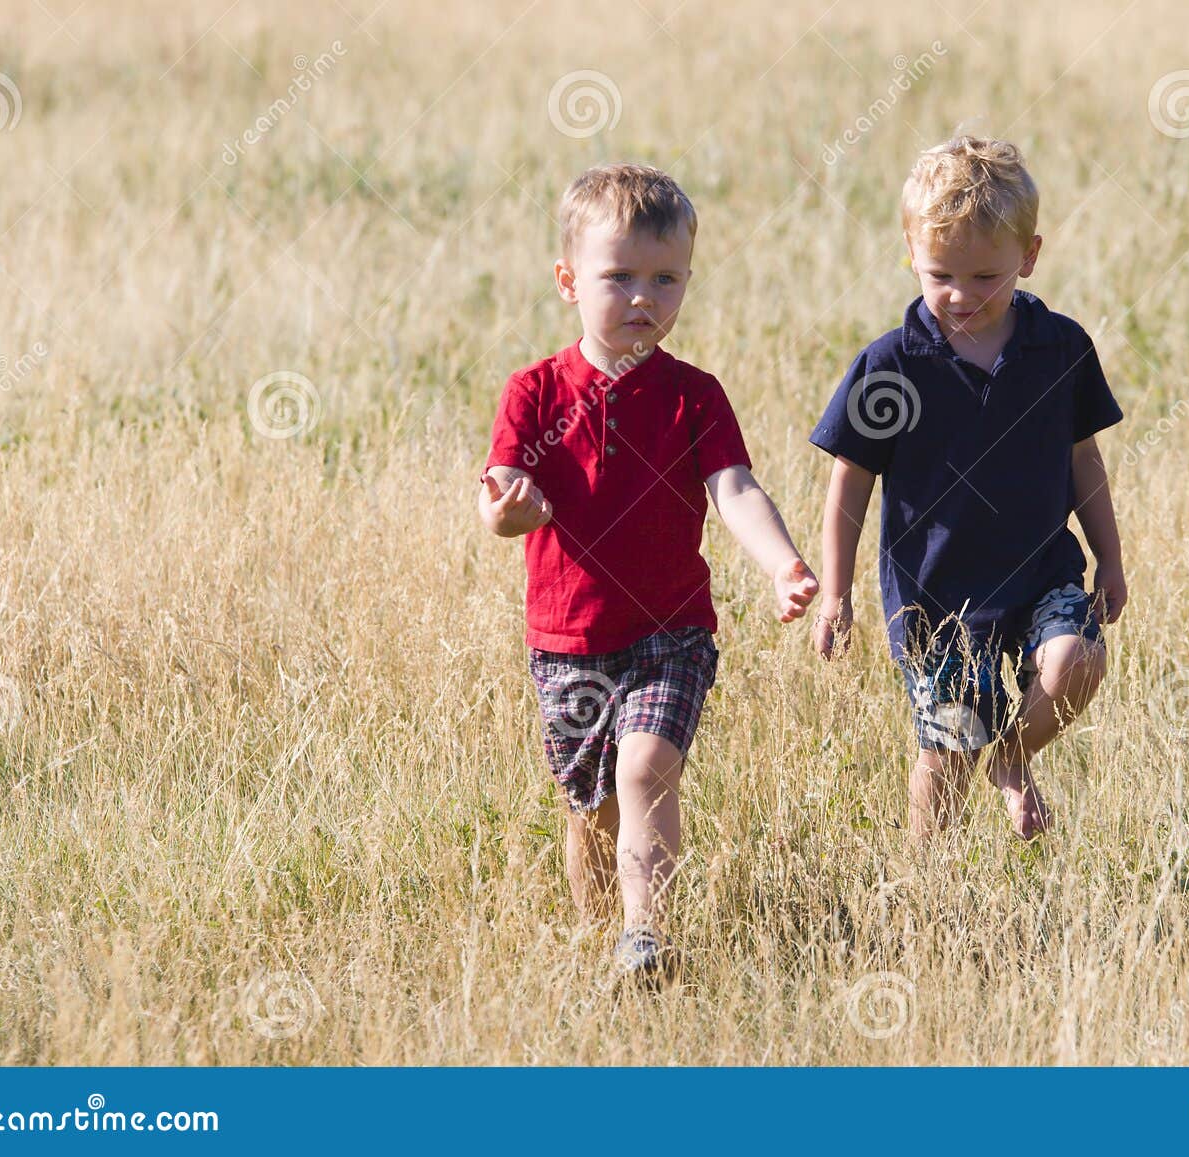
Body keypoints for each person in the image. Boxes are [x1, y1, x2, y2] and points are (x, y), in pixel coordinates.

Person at [482, 162, 818, 980]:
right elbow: (496, 506)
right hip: (568, 638)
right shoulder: (533, 392)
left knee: (645, 768)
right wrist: (514, 511)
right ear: (568, 281)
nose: (644, 298)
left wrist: (783, 565)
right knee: (590, 806)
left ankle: (646, 935)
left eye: (665, 280)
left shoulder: (694, 396)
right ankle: (602, 937)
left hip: (672, 630)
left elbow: (733, 488)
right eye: (620, 276)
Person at [809, 136, 1126, 841]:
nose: (961, 295)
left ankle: (1013, 756)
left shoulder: (1059, 349)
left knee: (1079, 658)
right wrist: (836, 591)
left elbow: (1083, 458)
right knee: (948, 750)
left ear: (1030, 257)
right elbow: (849, 481)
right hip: (935, 598)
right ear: (911, 258)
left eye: (986, 276)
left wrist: (1110, 556)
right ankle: (930, 885)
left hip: (1043, 572)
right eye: (940, 274)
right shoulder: (891, 365)